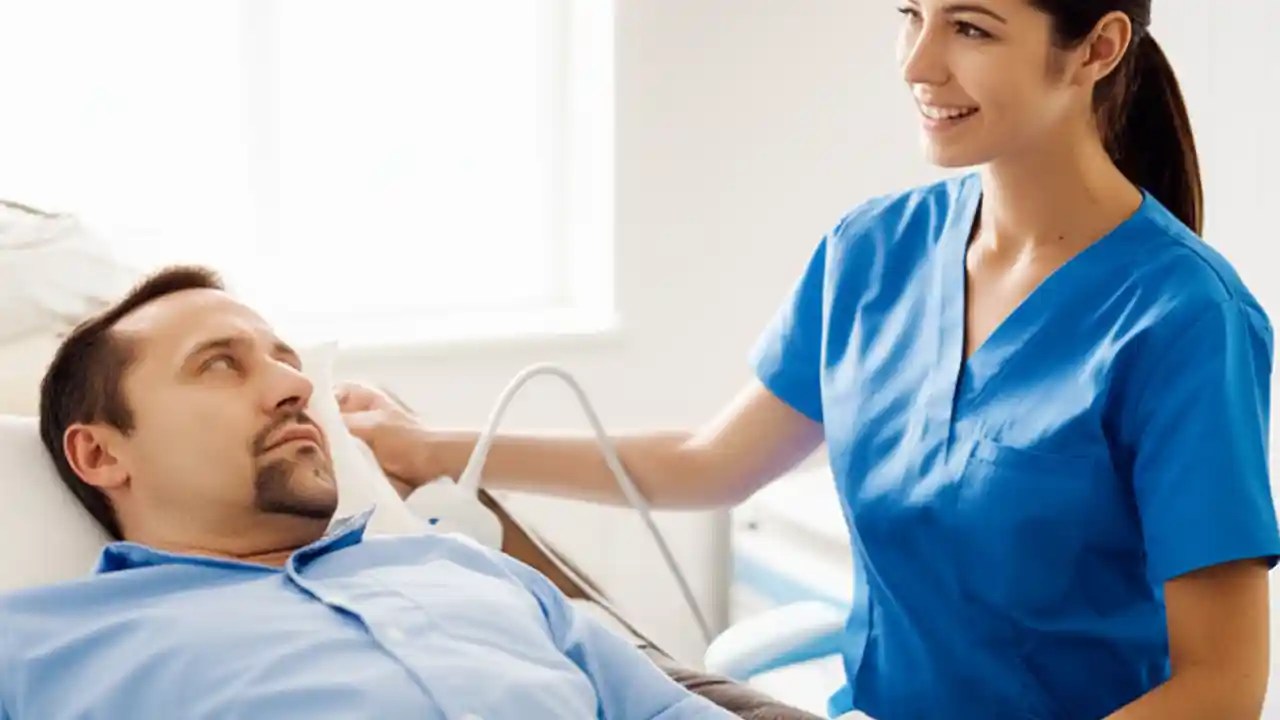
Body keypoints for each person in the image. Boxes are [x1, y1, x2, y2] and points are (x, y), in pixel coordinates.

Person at [338, 1, 1280, 718]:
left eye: (972, 28)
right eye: (909, 15)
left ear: (1099, 49)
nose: (917, 61)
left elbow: (1225, 686)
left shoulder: (1182, 320)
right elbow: (710, 462)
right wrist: (437, 448)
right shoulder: (872, 253)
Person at [0, 267, 739, 720]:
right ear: (100, 452)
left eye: (287, 362)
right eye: (220, 365)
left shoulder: (465, 570)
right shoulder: (33, 650)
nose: (294, 387)